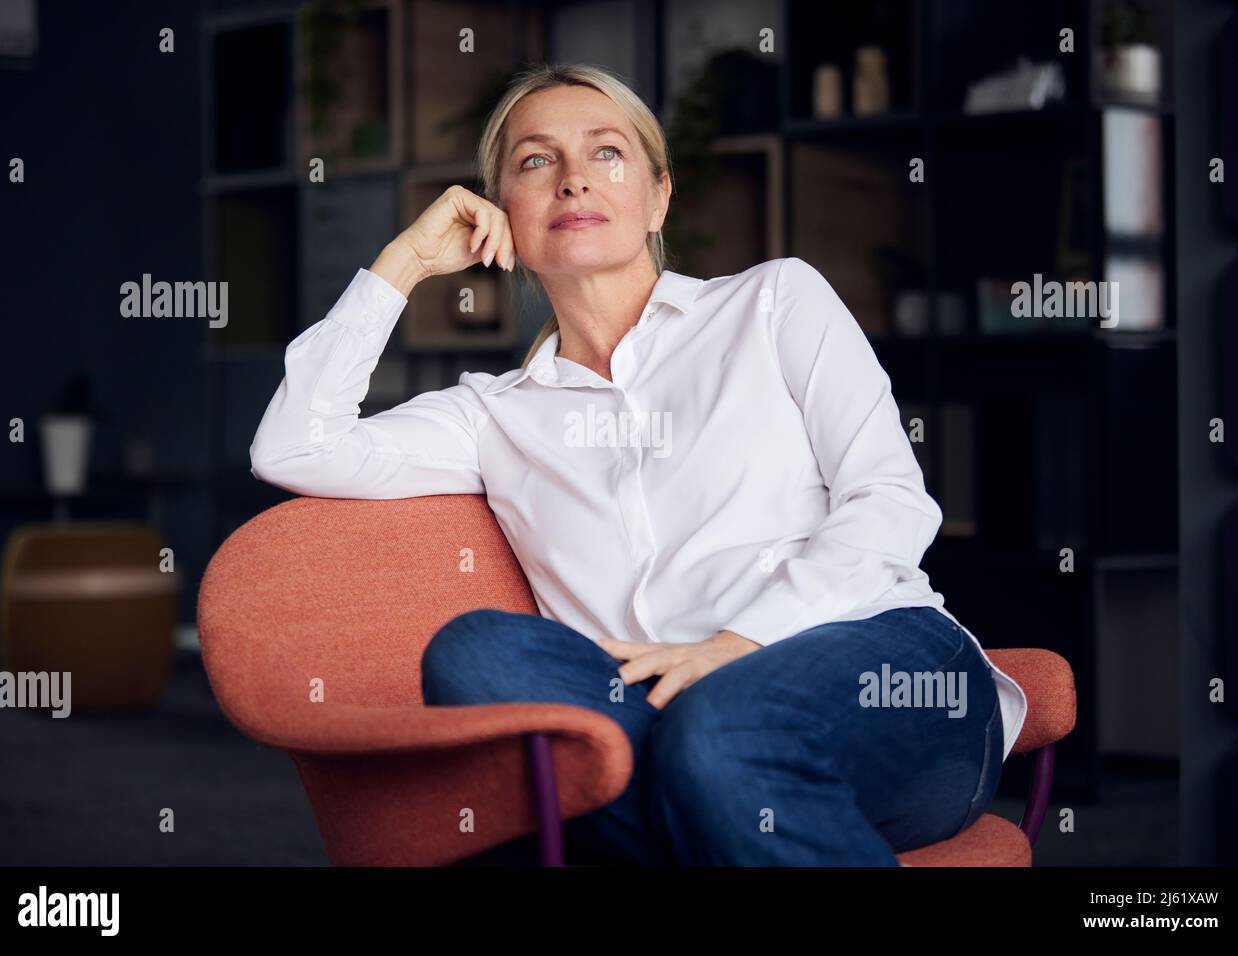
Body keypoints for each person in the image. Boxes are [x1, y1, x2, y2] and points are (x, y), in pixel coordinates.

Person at [249, 62, 1028, 866]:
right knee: (476, 651)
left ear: (658, 197)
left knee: (720, 729)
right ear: (502, 218)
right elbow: (293, 445)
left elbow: (891, 501)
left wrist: (737, 644)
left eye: (607, 153)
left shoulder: (772, 303)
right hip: (658, 717)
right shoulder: (494, 413)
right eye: (535, 161)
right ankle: (707, 811)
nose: (575, 179)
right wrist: (403, 264)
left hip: (882, 668)